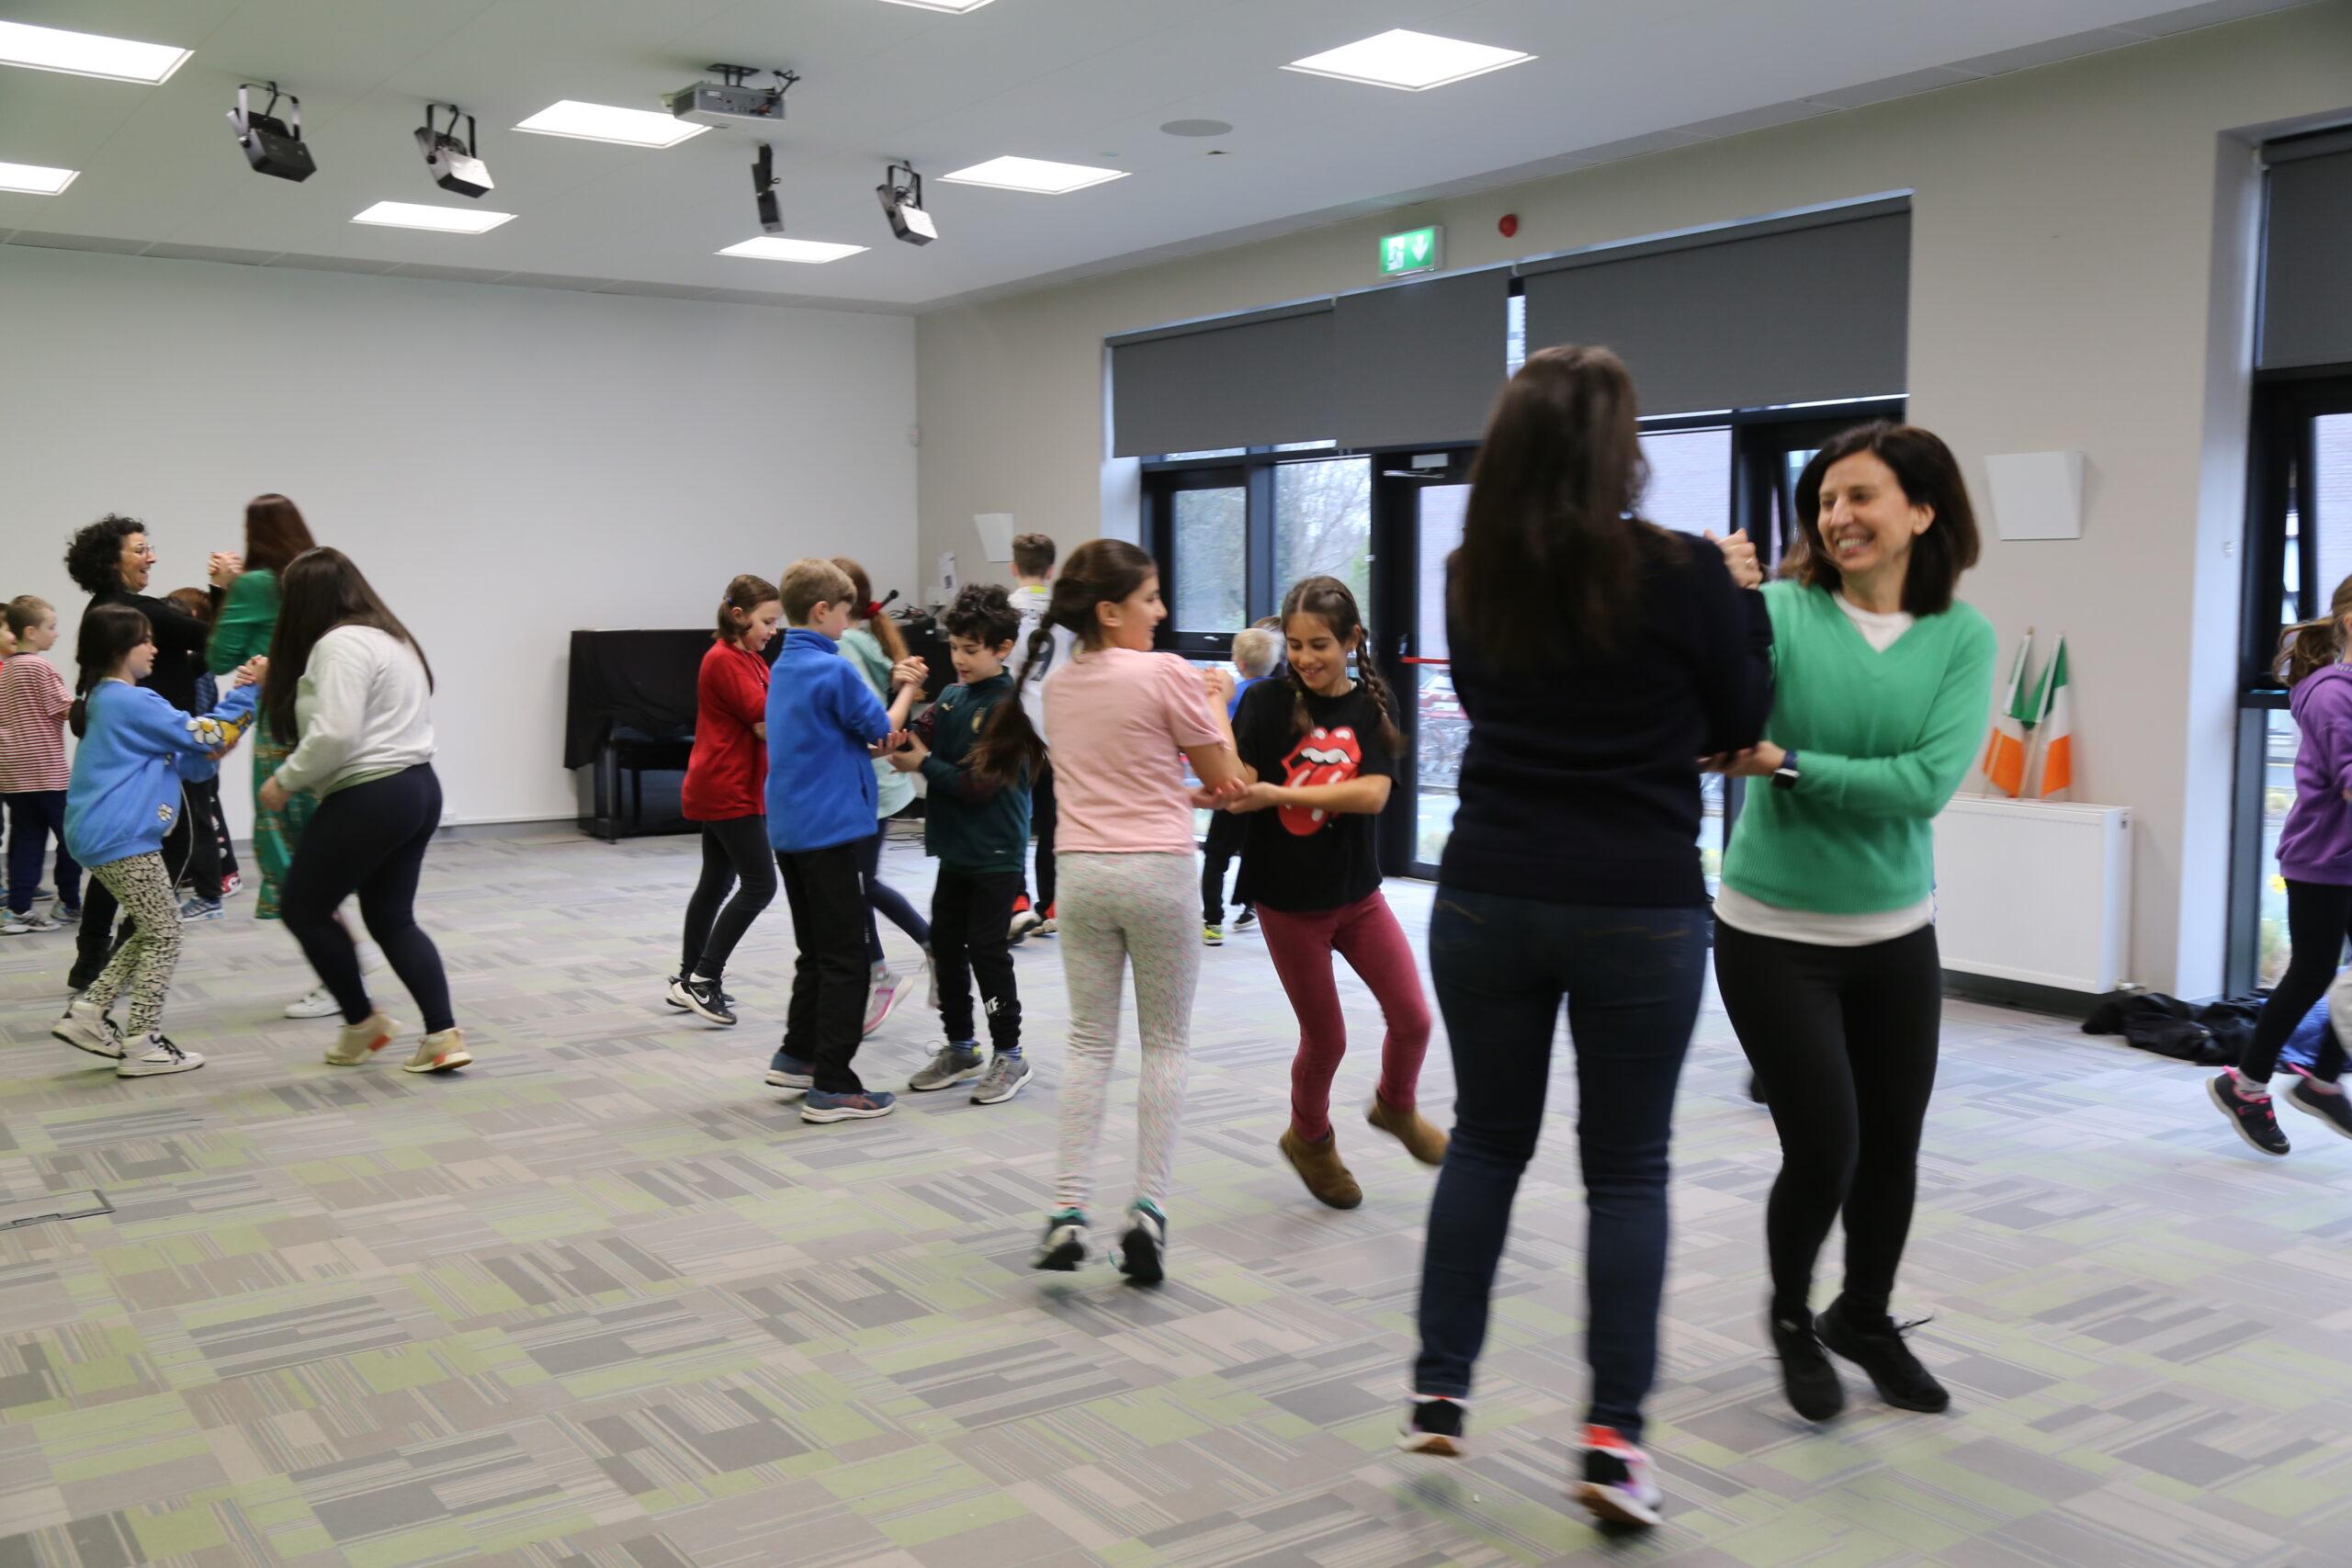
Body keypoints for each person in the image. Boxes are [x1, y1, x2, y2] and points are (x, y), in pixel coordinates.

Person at [1401, 346, 1772, 1530]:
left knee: (1485, 1147)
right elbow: (1739, 723)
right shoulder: (1680, 570)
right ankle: (1613, 1443)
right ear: (1622, 447)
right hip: (1637, 901)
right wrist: (1740, 595)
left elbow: (1501, 703)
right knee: (1626, 1173)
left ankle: (1440, 1389)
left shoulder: (1470, 572)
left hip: (1484, 892)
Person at [1708, 421, 1994, 1430]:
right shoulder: (1777, 613)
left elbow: (1921, 788)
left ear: (1921, 512)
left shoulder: (1963, 637)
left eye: (1860, 497)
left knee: (1892, 1148)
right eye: (1826, 501)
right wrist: (1714, 598)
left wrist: (1787, 764)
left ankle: (1862, 1315)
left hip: (1894, 934)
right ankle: (1790, 1315)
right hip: (1769, 930)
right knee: (1824, 1145)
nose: (1837, 517)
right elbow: (1710, 723)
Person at [1024, 539, 1245, 1284]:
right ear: (1110, 610)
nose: (1163, 611)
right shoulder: (1169, 673)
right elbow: (1230, 782)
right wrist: (1215, 701)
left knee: (1089, 1042)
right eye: (1150, 599)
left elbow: (1118, 777)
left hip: (1082, 875)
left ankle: (1066, 1211)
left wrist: (1181, 787)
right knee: (1166, 1043)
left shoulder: (1058, 685)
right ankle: (1147, 1209)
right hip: (1157, 872)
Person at [1226, 577, 1442, 1209]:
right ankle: (1310, 1139)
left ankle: (1395, 1107)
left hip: (1357, 894)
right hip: (1288, 901)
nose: (1305, 658)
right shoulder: (1265, 702)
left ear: (1351, 639)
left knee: (1414, 1018)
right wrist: (1218, 706)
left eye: (1319, 643)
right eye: (1293, 644)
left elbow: (1372, 792)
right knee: (1327, 1039)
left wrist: (1281, 793)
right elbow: (1238, 780)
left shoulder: (1374, 702)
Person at [262, 547, 469, 1074]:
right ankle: (442, 1036)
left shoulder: (339, 644)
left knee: (303, 909)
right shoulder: (389, 637)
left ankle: (362, 1023)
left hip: (371, 793)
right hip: (418, 788)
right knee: (390, 917)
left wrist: (284, 781)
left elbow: (335, 732)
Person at [51, 604, 262, 1077]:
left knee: (153, 928)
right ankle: (143, 1041)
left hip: (107, 833)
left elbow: (192, 758)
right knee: (166, 932)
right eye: (146, 639)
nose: (155, 647)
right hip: (120, 835)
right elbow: (208, 731)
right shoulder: (130, 701)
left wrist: (218, 740)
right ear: (119, 649)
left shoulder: (114, 700)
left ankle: (88, 1015)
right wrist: (248, 691)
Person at [763, 558, 924, 1124]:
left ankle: (798, 1054)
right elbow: (884, 731)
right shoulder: (833, 672)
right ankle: (833, 1084)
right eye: (845, 611)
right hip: (832, 832)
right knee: (848, 958)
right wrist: (905, 689)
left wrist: (878, 738)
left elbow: (855, 742)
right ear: (821, 611)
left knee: (816, 949)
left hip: (791, 830)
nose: (851, 622)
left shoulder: (784, 665)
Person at [2210, 575, 2352, 1151]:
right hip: (2322, 860)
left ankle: (2319, 1083)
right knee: (2313, 974)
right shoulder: (2331, 693)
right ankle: (2245, 1087)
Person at [209, 495, 363, 1019]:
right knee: (320, 839)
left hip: (280, 724)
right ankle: (345, 958)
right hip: (325, 717)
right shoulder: (321, 575)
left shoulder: (255, 584)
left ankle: (338, 969)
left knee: (286, 849)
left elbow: (219, 655)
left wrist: (225, 592)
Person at [890, 584, 1040, 1105]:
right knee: (945, 947)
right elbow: (910, 737)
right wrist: (901, 708)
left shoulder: (1007, 710)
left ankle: (1010, 1054)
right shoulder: (952, 697)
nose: (958, 658)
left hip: (995, 852)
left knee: (987, 951)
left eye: (970, 649)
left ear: (1001, 649)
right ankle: (961, 1046)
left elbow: (979, 785)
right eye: (954, 647)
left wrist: (922, 765)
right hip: (955, 851)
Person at [61, 515, 218, 996]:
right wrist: (223, 589)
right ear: (113, 561)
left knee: (120, 866)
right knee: (162, 858)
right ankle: (122, 959)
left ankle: (92, 961)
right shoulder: (131, 612)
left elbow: (196, 659)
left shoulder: (105, 609)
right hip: (154, 758)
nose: (151, 556)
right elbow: (212, 638)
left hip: (149, 755)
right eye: (140, 549)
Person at [670, 573, 781, 1026]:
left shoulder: (749, 657)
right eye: (767, 621)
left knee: (716, 884)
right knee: (761, 885)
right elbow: (763, 723)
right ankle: (704, 979)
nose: (773, 631)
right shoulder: (724, 661)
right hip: (727, 787)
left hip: (736, 785)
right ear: (738, 616)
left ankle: (685, 980)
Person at [833, 558, 932, 1035]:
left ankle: (906, 960)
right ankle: (885, 969)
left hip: (869, 782)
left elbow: (871, 720)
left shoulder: (848, 645)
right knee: (858, 883)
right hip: (873, 783)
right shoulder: (866, 639)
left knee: (858, 885)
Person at [2, 596, 80, 934]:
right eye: (52, 627)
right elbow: (67, 709)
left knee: (26, 839)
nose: (57, 634)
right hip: (47, 773)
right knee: (72, 839)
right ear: (31, 632)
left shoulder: (5, 670)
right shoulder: (40, 668)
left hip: (13, 775)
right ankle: (70, 902)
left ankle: (19, 909)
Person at [1008, 531, 1069, 942]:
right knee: (1052, 823)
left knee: (1011, 819)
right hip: (1058, 731)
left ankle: (1015, 902)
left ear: (1014, 568)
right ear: (1051, 570)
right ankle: (1051, 906)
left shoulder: (1002, 611)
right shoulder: (1068, 613)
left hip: (1013, 729)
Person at [1202, 624, 1279, 944]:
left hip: (1234, 789)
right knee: (1256, 851)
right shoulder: (1280, 695)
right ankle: (1251, 906)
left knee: (1216, 855)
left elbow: (1217, 739)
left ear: (1240, 664)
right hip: (1266, 792)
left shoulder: (1232, 699)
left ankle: (1213, 922)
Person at [163, 586, 234, 920]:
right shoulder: (183, 664)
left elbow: (202, 715)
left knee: (197, 828)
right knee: (180, 828)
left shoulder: (196, 666)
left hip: (193, 761)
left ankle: (208, 895)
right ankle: (179, 889)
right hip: (185, 760)